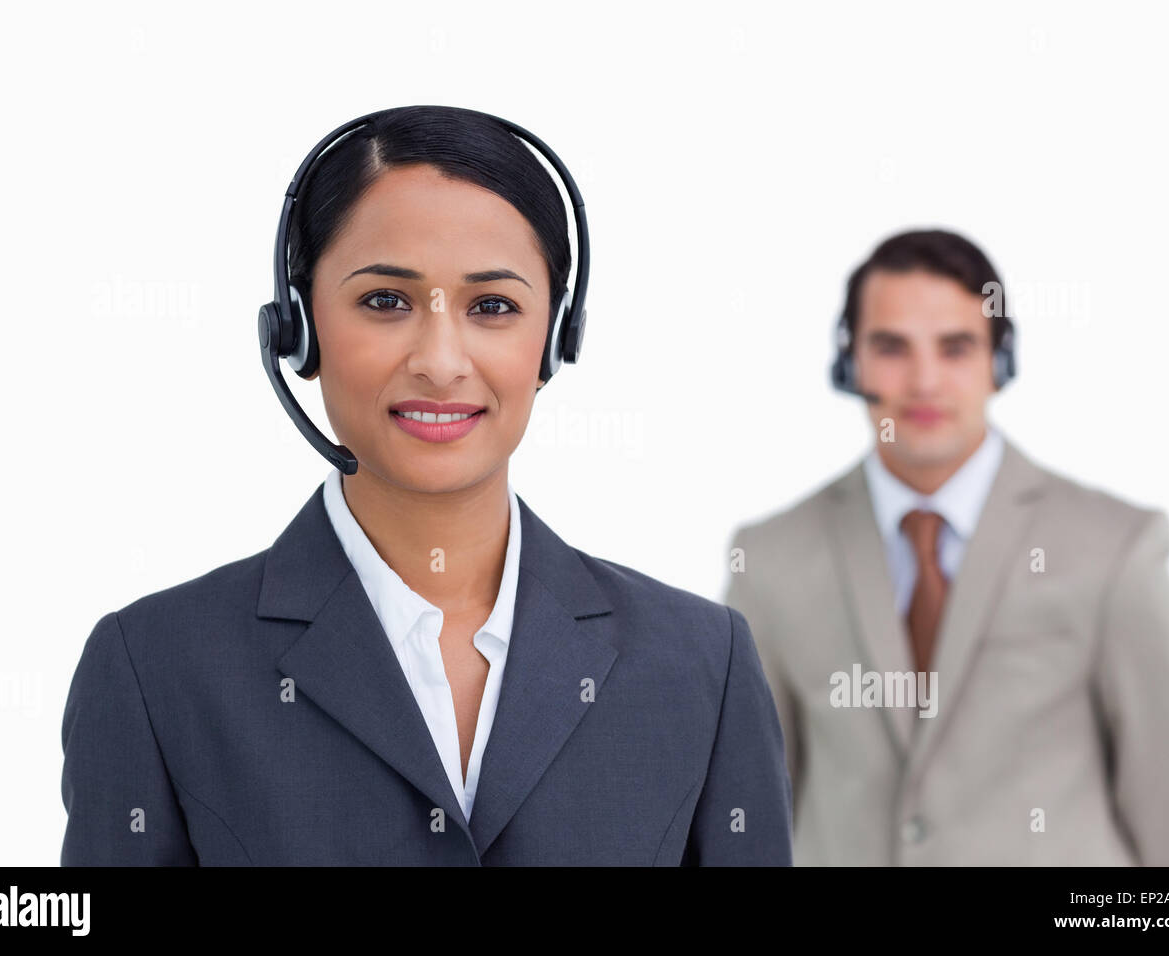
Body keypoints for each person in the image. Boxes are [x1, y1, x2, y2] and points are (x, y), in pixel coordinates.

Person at [60, 105, 792, 866]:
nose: (441, 363)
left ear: (556, 339)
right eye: (386, 301)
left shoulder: (703, 664)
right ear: (298, 330)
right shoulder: (153, 667)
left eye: (493, 306)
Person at [723, 228, 1169, 865]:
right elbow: (753, 806)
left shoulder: (1115, 549)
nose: (925, 380)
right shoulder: (770, 559)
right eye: (891, 347)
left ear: (999, 363)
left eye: (956, 347)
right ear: (850, 365)